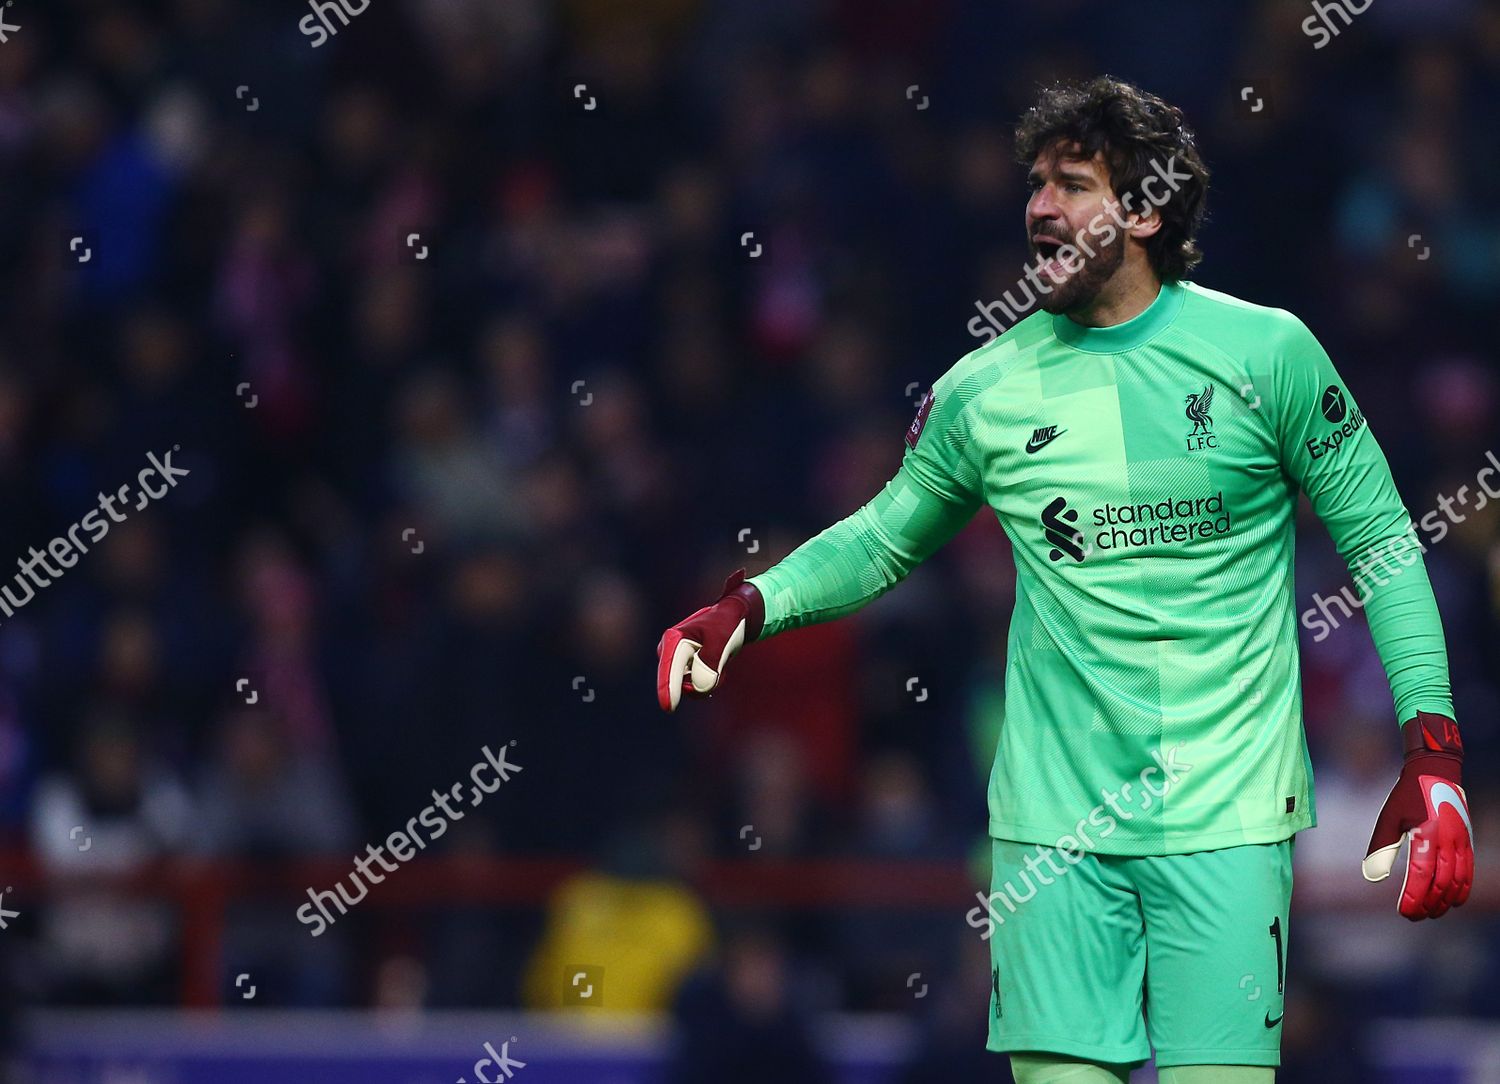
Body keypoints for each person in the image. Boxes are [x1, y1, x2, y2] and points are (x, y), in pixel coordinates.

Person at [655, 76, 1473, 1083]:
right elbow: (882, 539)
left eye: (1072, 183)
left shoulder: (1270, 354)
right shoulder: (984, 389)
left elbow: (1385, 543)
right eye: (1036, 183)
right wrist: (751, 602)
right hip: (1051, 836)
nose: (1038, 207)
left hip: (1229, 819)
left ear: (1145, 209)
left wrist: (1431, 748)